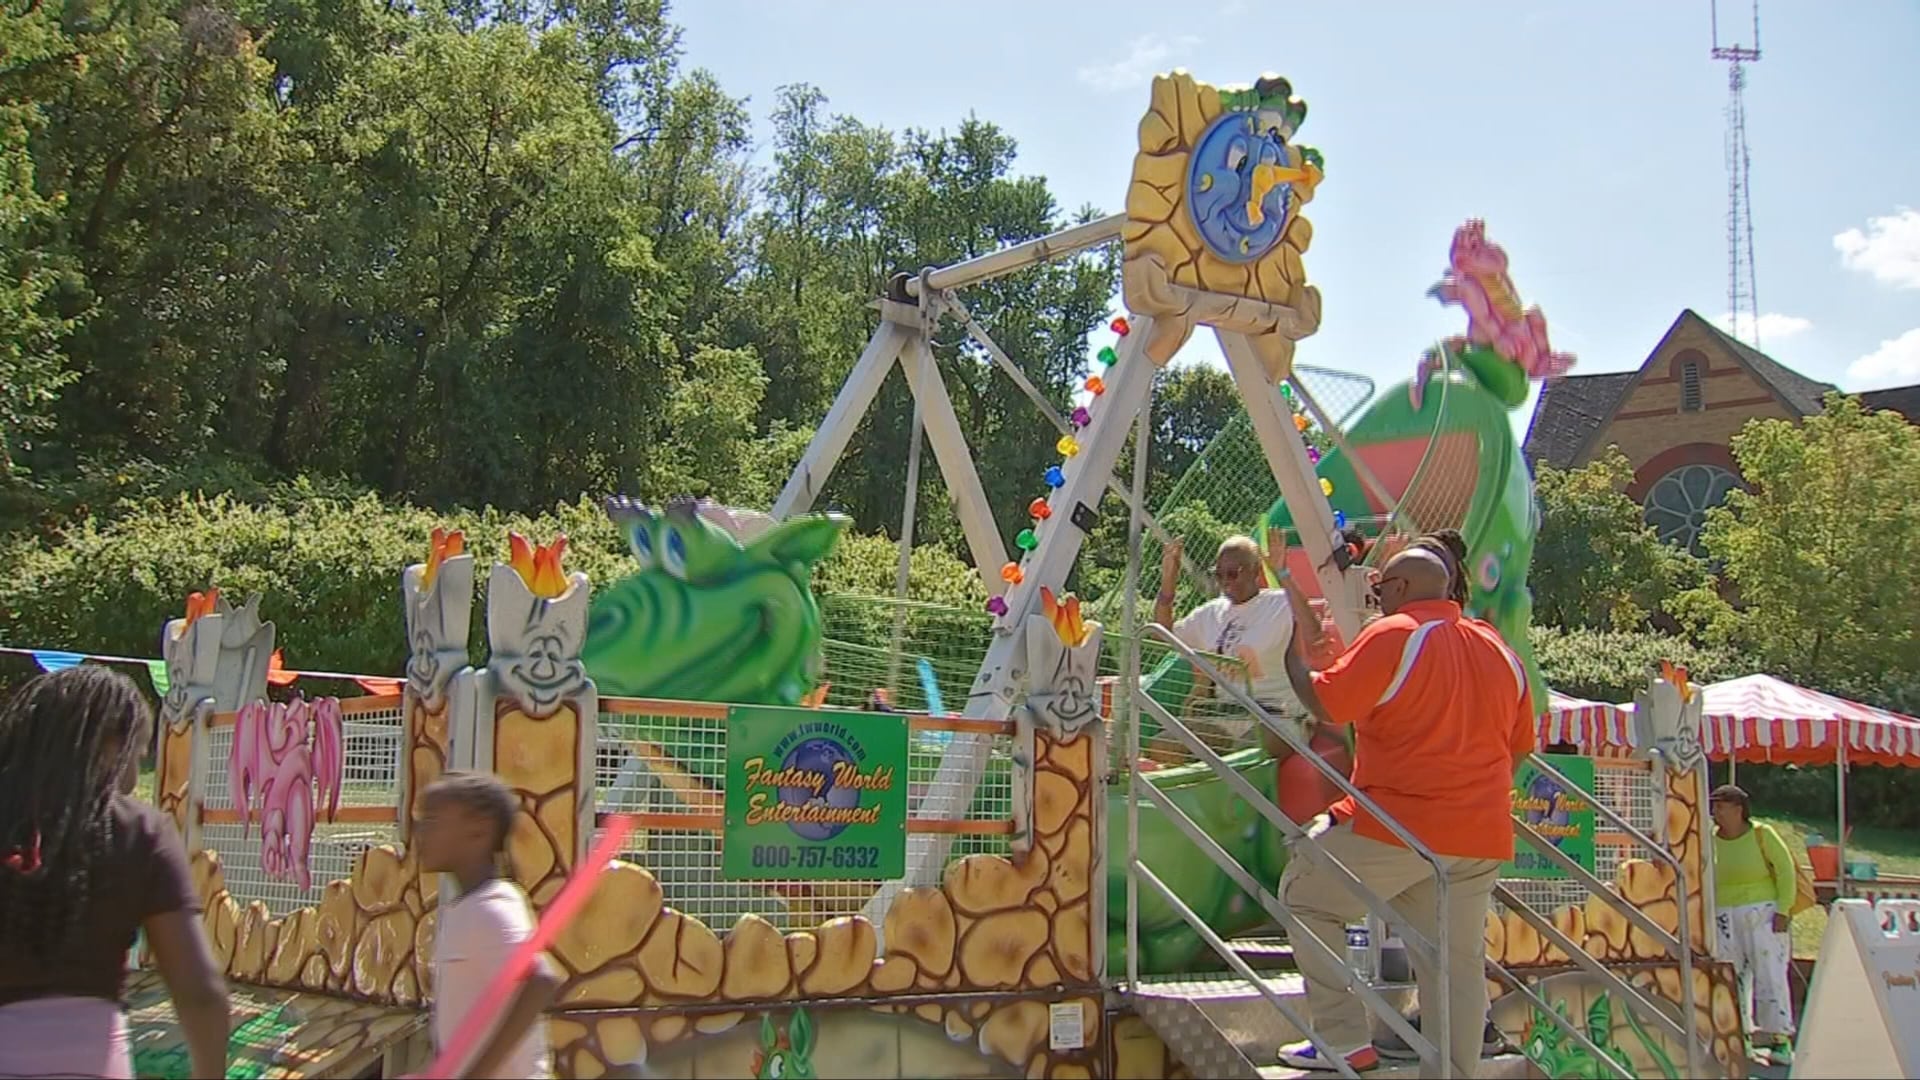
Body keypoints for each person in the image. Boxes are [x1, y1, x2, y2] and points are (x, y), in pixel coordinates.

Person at [1272, 548, 1535, 1075]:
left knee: (1306, 897)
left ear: (1399, 588)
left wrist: (1292, 664)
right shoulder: (1498, 648)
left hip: (1402, 828)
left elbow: (1329, 704)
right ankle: (1455, 1070)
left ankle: (1343, 1040)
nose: (1376, 592)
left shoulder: (1396, 633)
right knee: (1455, 965)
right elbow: (1521, 746)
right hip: (1479, 837)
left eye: (1381, 584)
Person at [0, 666, 230, 1079]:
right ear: (110, 744)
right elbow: (199, 990)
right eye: (139, 754)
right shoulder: (139, 830)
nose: (133, 777)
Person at [415, 772, 561, 1079]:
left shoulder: (492, 907)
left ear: (478, 830)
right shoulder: (462, 910)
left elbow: (540, 981)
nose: (419, 832)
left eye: (432, 821)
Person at [1155, 535, 1314, 753]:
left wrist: (1283, 573)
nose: (1225, 582)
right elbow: (1163, 635)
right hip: (1224, 717)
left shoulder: (1280, 603)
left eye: (1233, 574)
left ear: (1255, 571)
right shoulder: (1211, 612)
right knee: (1165, 745)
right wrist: (1168, 581)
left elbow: (1313, 627)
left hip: (1277, 717)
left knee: (1245, 754)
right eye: (1218, 575)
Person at [1709, 784, 1796, 1066]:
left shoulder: (1762, 834)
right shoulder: (1710, 839)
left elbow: (1785, 871)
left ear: (1739, 809)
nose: (1717, 812)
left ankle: (1779, 1038)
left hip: (1763, 912)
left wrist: (1784, 909)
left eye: (1722, 806)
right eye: (1715, 806)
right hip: (1724, 914)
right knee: (1731, 974)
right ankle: (1740, 1035)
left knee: (1769, 972)